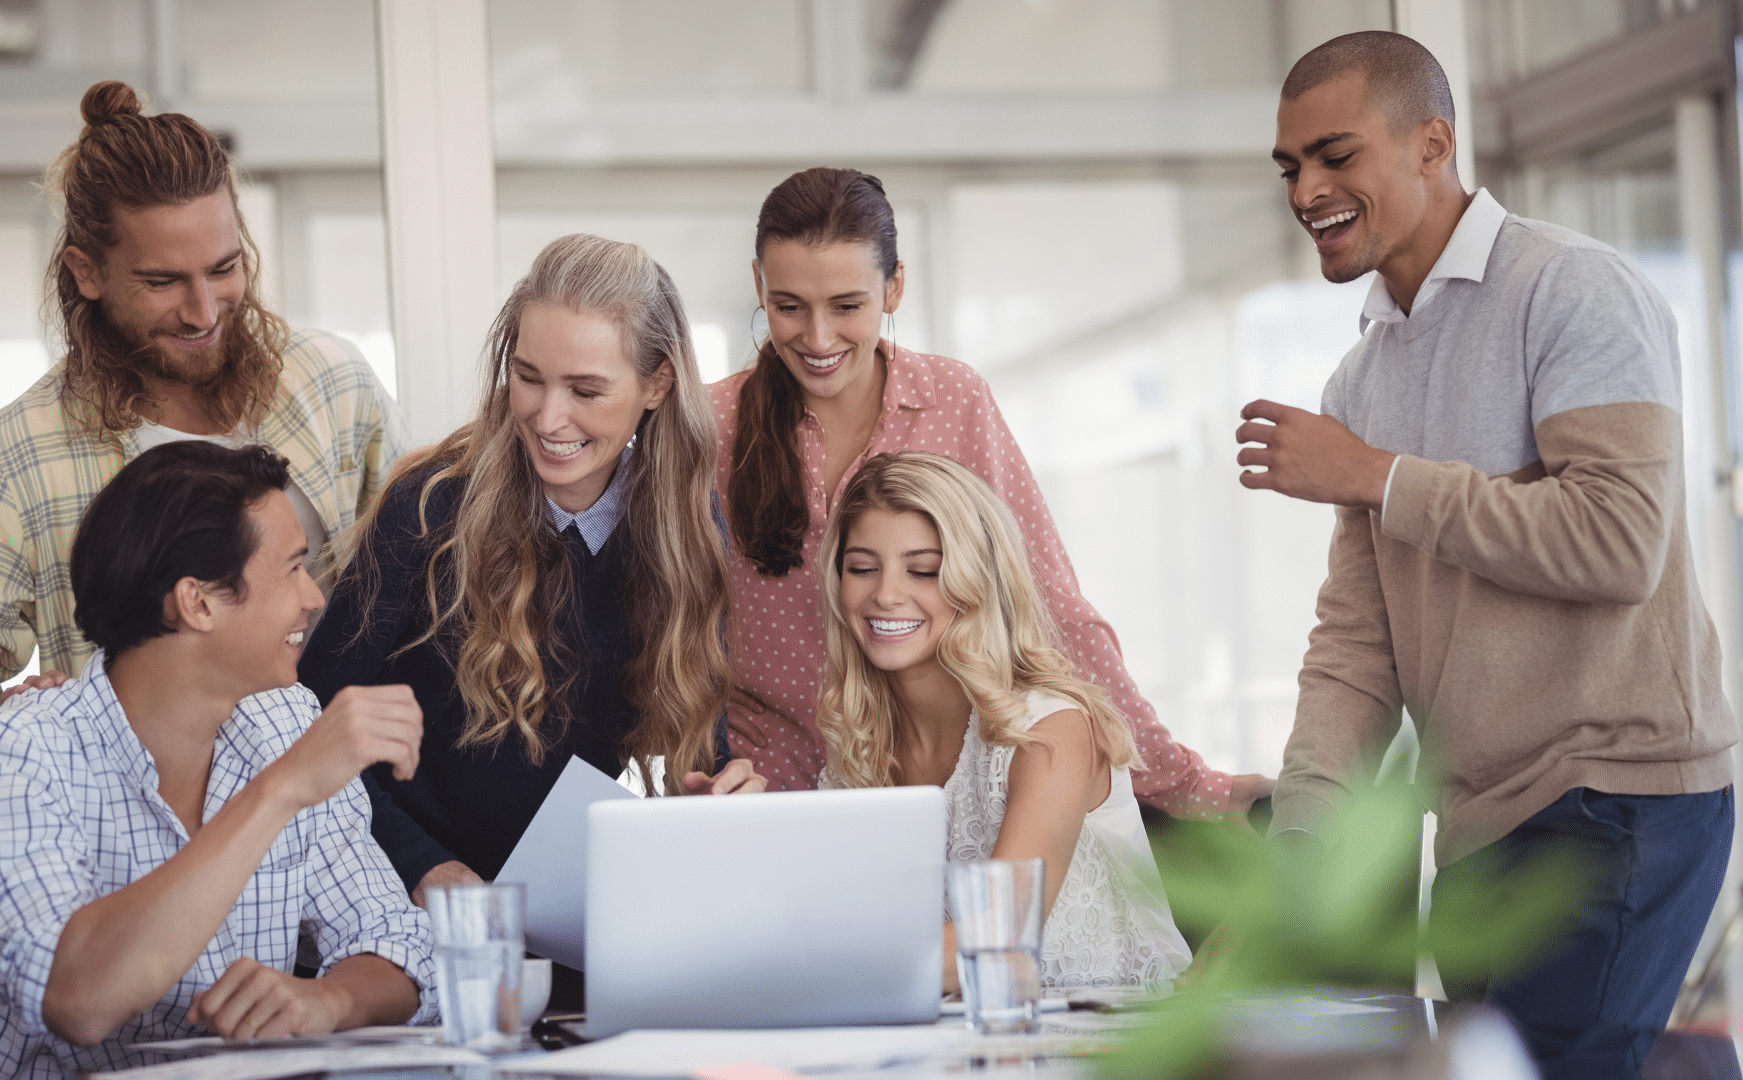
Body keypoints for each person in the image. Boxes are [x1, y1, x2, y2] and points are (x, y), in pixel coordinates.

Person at [1239, 31, 1734, 1078]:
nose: (1306, 190)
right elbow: (1356, 649)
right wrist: (1302, 837)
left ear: (1432, 144)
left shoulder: (1574, 291)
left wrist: (1376, 475)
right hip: (1475, 821)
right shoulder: (1361, 378)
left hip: (1618, 793)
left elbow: (1618, 543)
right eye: (1290, 167)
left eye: (1335, 155)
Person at [715, 166, 1270, 825]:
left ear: (894, 288)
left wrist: (1185, 783)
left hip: (936, 784)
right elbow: (671, 623)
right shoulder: (711, 423)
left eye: (847, 306)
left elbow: (1051, 604)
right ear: (759, 286)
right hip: (765, 792)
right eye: (788, 307)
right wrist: (695, 769)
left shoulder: (953, 400)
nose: (818, 337)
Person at [0, 79, 402, 776]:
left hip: (342, 807)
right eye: (162, 282)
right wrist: (35, 743)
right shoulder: (17, 452)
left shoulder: (334, 384)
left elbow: (427, 584)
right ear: (86, 272)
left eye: (224, 268)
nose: (203, 312)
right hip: (141, 824)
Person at [0, 441, 433, 1080]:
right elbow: (78, 1001)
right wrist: (280, 789)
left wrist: (328, 1000)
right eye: (292, 570)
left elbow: (399, 941)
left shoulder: (285, 720)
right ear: (197, 603)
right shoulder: (7, 757)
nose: (313, 598)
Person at [300, 233, 764, 911]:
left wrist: (715, 793)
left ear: (657, 384)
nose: (548, 418)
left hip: (580, 921)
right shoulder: (427, 509)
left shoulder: (688, 524)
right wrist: (421, 865)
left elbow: (693, 748)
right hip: (416, 918)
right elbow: (306, 727)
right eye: (528, 377)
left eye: (585, 389)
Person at [819, 451, 1191, 990]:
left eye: (923, 570)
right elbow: (837, 924)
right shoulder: (857, 750)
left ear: (979, 581)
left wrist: (805, 965)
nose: (886, 594)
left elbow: (1000, 936)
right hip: (956, 1036)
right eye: (861, 568)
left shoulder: (1051, 730)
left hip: (1123, 1037)